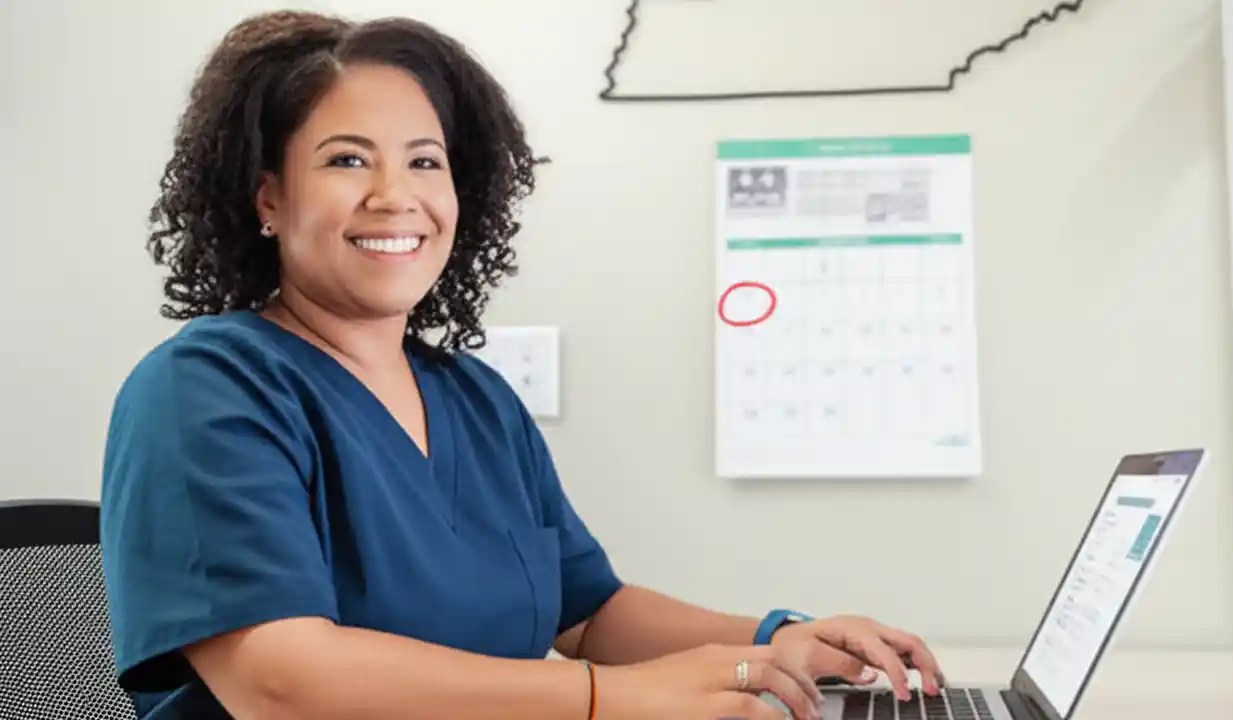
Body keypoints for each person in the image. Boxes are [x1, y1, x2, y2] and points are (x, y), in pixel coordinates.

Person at [99, 10, 946, 720]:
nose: (396, 194)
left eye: (424, 161)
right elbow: (279, 681)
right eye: (347, 159)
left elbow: (591, 614)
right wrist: (604, 700)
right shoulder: (204, 388)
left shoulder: (475, 399)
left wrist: (772, 640)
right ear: (269, 199)